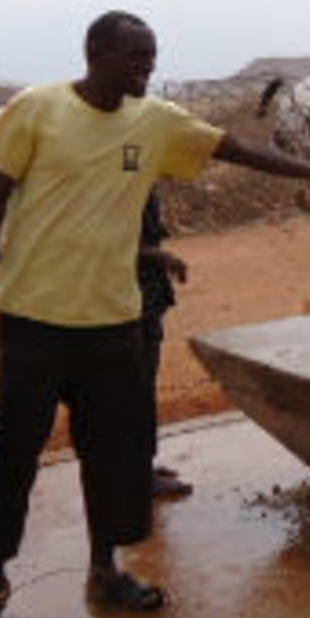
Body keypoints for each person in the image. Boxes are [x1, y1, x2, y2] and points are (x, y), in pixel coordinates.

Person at [0, 10, 310, 618]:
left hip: (113, 319)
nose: (148, 69)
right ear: (94, 54)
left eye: (153, 58)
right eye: (136, 57)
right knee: (10, 455)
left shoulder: (156, 121)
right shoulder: (38, 109)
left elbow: (239, 150)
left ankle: (106, 570)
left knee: (114, 453)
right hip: (33, 318)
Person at [136, 189, 191, 498]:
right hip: (132, 297)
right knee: (136, 387)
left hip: (144, 294)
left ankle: (141, 464)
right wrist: (161, 256)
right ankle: (137, 474)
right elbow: (104, 237)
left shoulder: (135, 166)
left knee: (142, 384)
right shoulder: (123, 167)